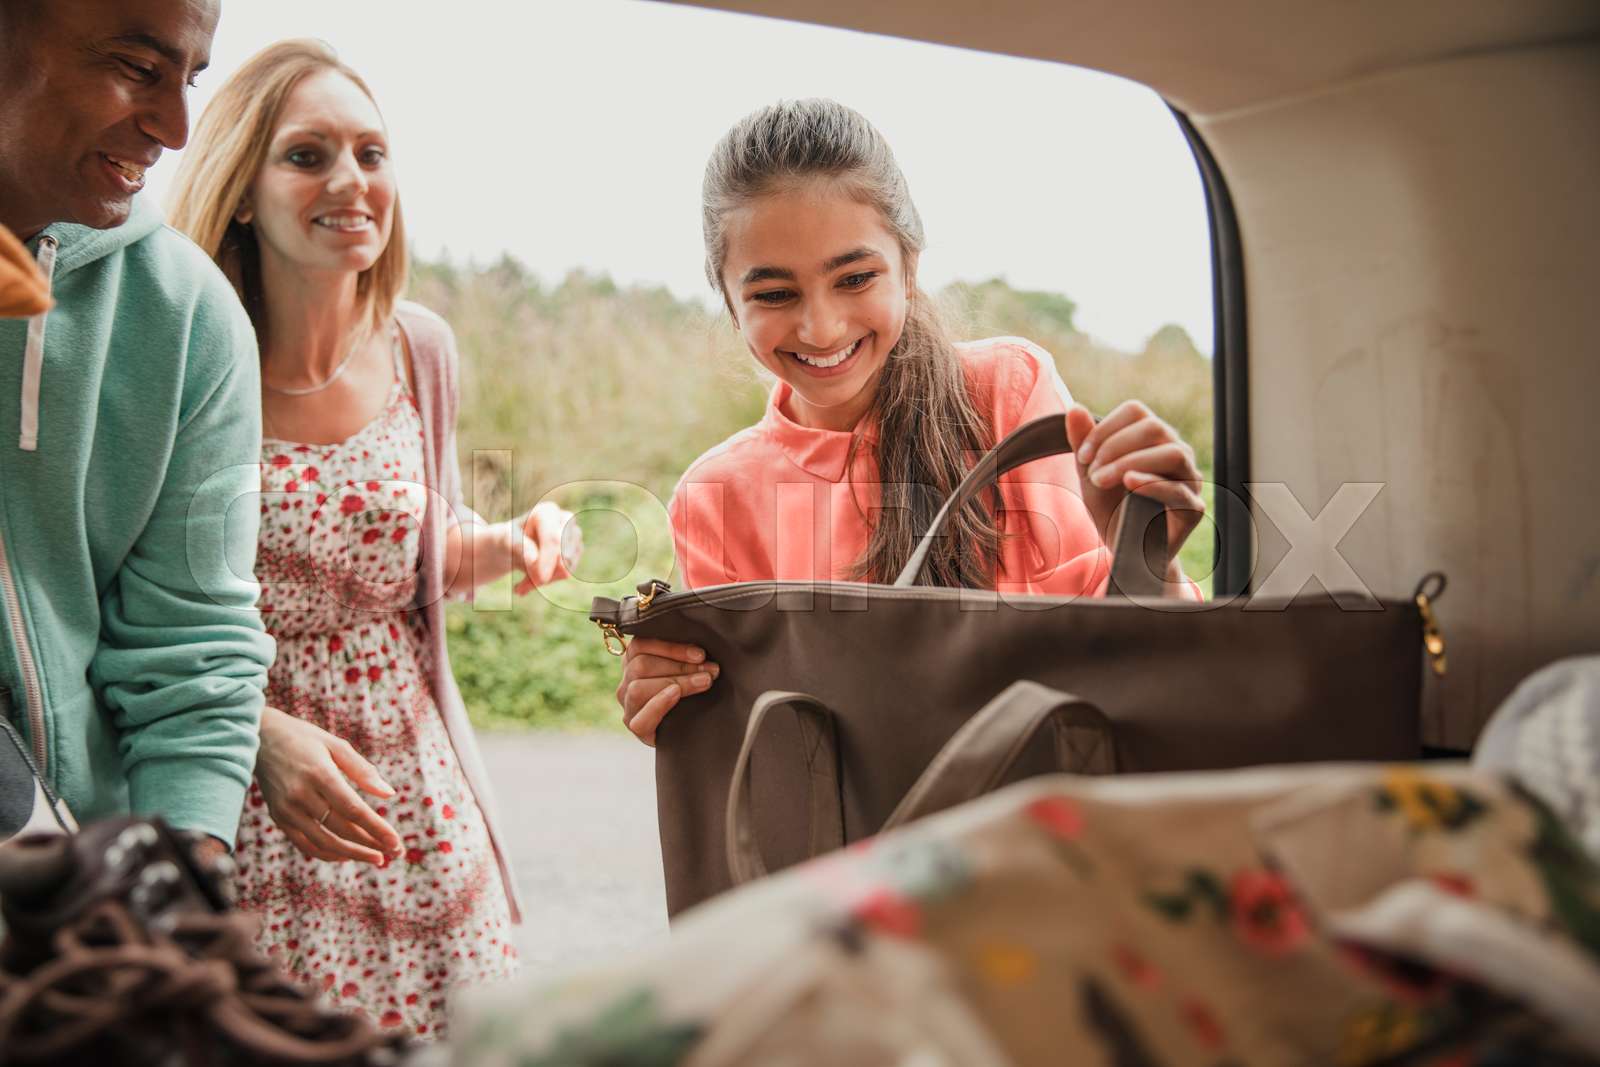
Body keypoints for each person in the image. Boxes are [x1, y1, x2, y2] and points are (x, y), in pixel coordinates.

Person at [168, 39, 578, 1039]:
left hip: (415, 793)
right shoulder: (180, 349)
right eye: (308, 155)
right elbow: (119, 602)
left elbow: (401, 554)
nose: (350, 180)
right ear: (239, 191)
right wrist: (253, 736)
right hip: (253, 796)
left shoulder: (416, 345)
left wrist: (510, 539)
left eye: (371, 152)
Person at [616, 98, 1207, 745]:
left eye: (855, 277)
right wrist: (683, 711)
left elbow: (1124, 660)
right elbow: (760, 755)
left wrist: (1148, 565)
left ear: (909, 266)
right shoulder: (715, 496)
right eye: (774, 294)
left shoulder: (1008, 390)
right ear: (730, 303)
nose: (822, 326)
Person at [0, 0, 272, 860]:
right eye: (134, 66)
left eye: (190, 79)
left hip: (63, 891)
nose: (176, 128)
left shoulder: (190, 315)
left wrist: (189, 891)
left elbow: (195, 648)